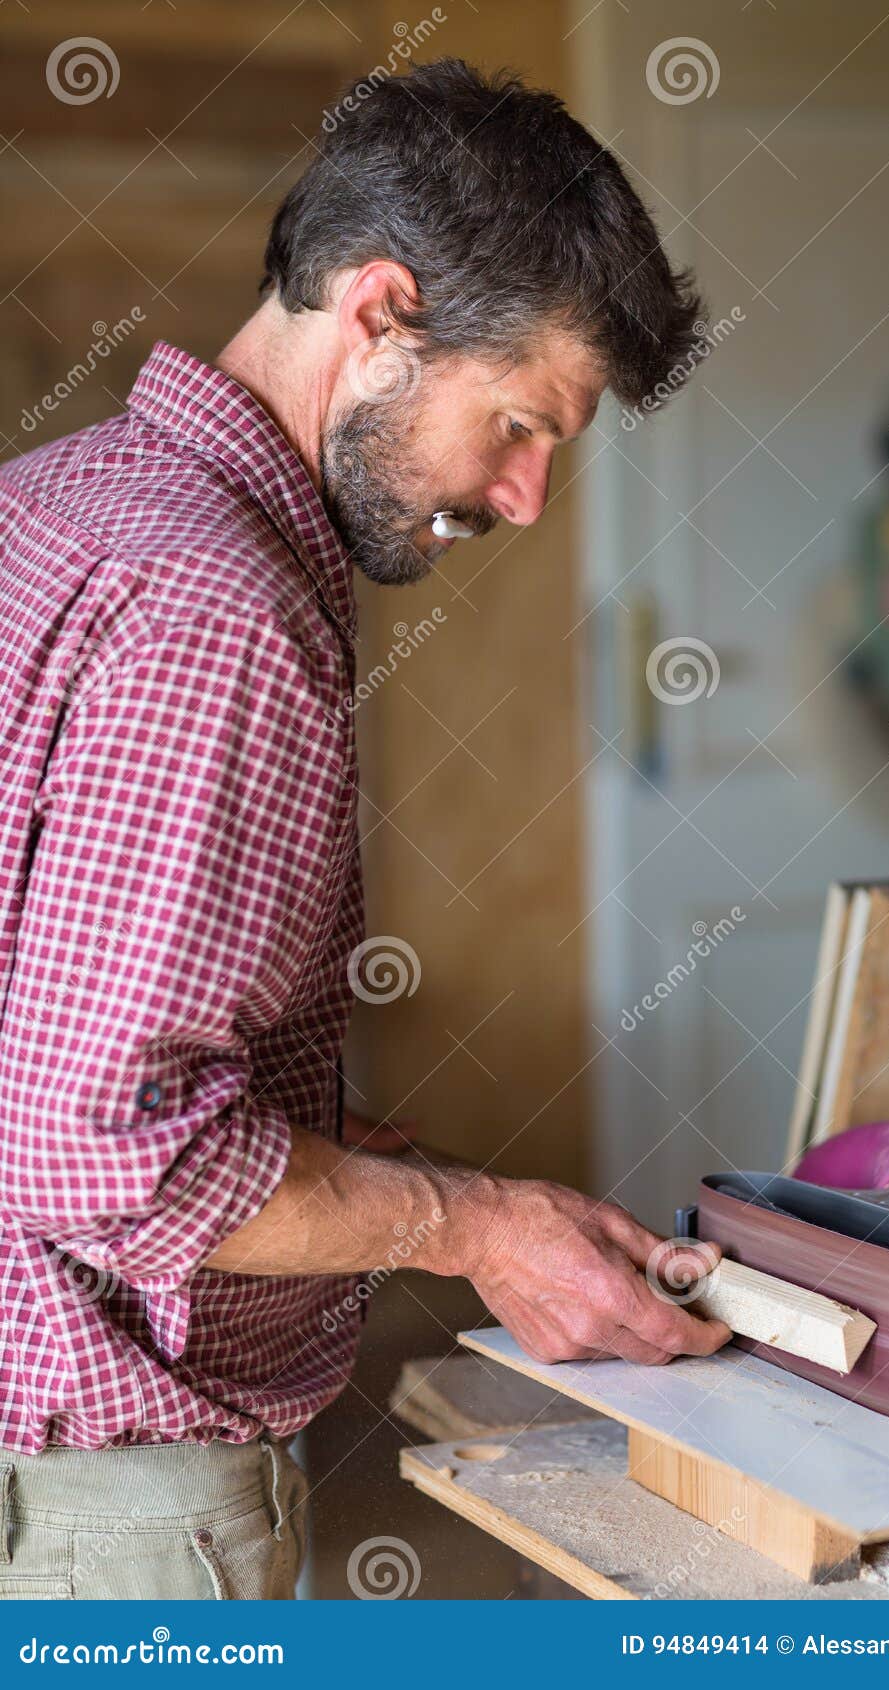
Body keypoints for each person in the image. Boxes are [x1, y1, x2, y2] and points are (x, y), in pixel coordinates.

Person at [0, 58, 726, 1600]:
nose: (528, 498)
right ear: (384, 313)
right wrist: (471, 1226)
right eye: (519, 421)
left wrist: (372, 1174)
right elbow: (102, 1151)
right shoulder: (220, 612)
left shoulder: (54, 504)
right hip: (112, 1517)